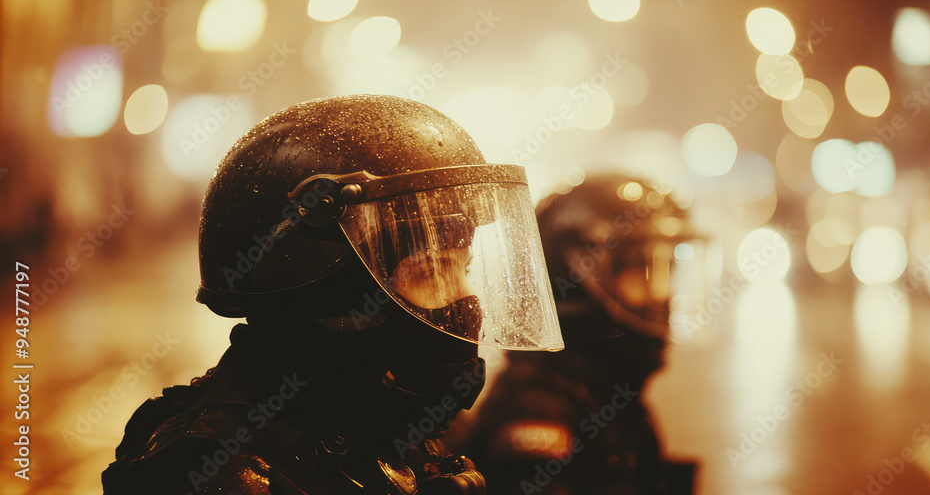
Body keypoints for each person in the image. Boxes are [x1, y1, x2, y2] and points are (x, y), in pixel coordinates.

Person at [102, 95, 564, 494]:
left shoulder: (375, 429)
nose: (465, 302)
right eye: (430, 272)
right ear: (331, 294)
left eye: (463, 269)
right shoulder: (219, 474)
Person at [461, 174, 700, 494]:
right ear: (571, 278)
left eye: (665, 270)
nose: (659, 293)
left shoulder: (603, 392)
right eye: (638, 269)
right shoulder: (538, 408)